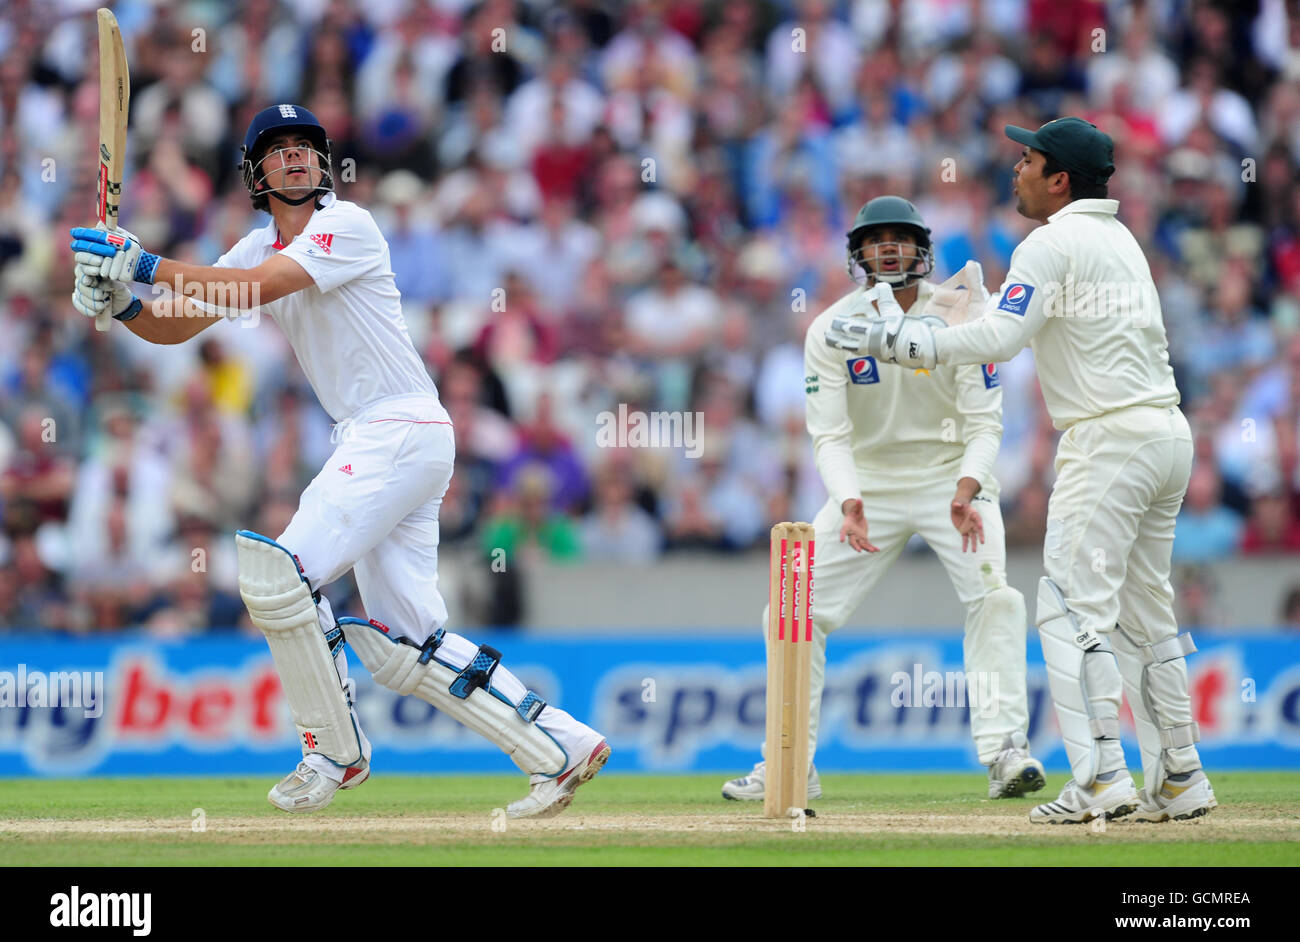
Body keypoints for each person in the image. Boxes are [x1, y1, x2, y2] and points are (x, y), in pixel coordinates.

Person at [69, 104, 609, 818]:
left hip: (397, 424)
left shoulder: (346, 225)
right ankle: (560, 745)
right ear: (254, 173)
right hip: (388, 436)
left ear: (323, 164)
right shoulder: (251, 248)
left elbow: (255, 290)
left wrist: (143, 265)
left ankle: (332, 753)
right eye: (278, 148)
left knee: (279, 574)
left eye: (306, 146)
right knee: (406, 646)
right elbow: (179, 324)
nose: (295, 156)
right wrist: (122, 303)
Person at [839, 119, 1216, 824]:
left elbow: (1004, 340)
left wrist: (902, 341)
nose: (1016, 169)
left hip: (1108, 441)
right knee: (1145, 616)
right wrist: (964, 314)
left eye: (1028, 160)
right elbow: (1018, 324)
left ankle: (1102, 779)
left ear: (1060, 179)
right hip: (1165, 434)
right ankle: (1179, 775)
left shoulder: (1049, 242)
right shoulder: (1119, 238)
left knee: (1070, 611)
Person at [722, 196, 1044, 804]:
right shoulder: (831, 328)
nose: (889, 248)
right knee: (790, 611)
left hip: (951, 479)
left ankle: (1006, 751)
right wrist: (848, 500)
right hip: (868, 485)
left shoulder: (961, 314)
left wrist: (969, 486)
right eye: (876, 239)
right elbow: (830, 434)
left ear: (922, 248)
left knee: (995, 597)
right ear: (858, 254)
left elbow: (985, 423)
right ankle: (789, 761)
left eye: (900, 236)